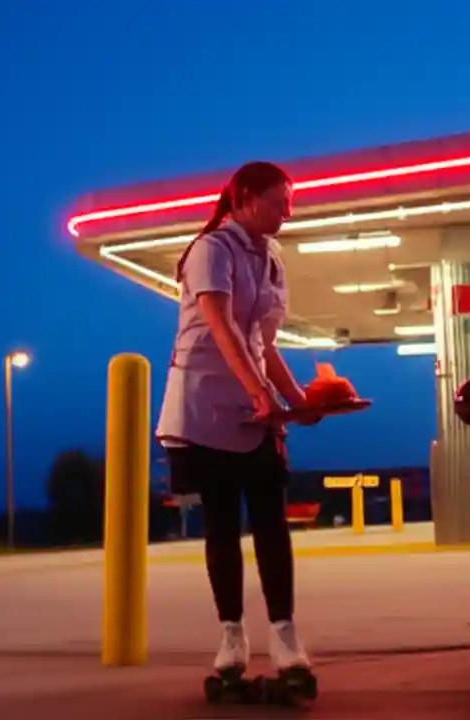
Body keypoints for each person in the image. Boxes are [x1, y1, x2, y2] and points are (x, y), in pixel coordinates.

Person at [156, 160, 318, 678]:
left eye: (289, 205)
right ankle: (232, 635)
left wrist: (298, 400)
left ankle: (285, 634)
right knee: (221, 522)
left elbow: (262, 342)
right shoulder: (211, 249)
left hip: (254, 404)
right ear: (246, 198)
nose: (286, 214)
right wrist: (258, 392)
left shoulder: (270, 260)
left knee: (271, 520)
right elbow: (220, 325)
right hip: (205, 404)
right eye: (279, 204)